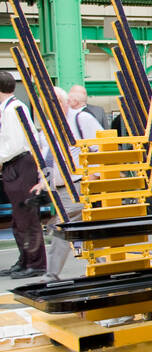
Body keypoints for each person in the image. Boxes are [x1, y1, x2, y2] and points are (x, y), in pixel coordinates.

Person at [39, 86, 97, 281]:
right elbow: (48, 157)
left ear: (64, 102)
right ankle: (101, 267)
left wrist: (94, 177)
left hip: (79, 185)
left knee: (62, 227)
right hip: (60, 188)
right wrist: (44, 182)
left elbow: (101, 146)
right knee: (84, 230)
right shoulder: (49, 125)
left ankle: (51, 274)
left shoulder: (82, 119)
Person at [0, 71, 46, 278]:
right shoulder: (8, 109)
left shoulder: (14, 109)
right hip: (14, 165)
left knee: (27, 216)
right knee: (19, 218)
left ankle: (36, 264)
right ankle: (25, 259)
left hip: (20, 164)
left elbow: (16, 144)